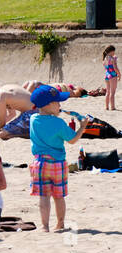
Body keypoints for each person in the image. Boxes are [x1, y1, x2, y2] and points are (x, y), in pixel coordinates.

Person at [28, 85, 87, 232]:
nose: (60, 105)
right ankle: (60, 224)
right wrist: (82, 127)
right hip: (57, 164)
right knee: (58, 196)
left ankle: (44, 226)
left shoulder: (33, 119)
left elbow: (45, 122)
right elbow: (72, 139)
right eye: (58, 102)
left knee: (44, 196)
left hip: (39, 163)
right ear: (48, 104)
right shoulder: (59, 123)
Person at [105, 45, 118, 112]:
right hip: (112, 75)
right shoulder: (112, 59)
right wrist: (119, 74)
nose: (114, 53)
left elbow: (105, 67)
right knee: (112, 92)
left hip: (107, 75)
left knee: (108, 92)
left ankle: (107, 106)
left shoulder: (105, 58)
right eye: (114, 51)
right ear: (111, 51)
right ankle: (112, 107)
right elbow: (115, 68)